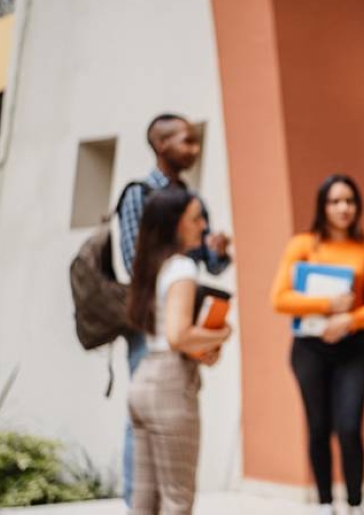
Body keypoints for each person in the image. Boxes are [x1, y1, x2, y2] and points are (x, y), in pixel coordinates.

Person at [117, 113, 232, 505]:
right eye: (197, 220)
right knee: (177, 500)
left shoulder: (160, 265)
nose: (202, 226)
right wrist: (222, 333)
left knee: (144, 502)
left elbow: (202, 265)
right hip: (169, 379)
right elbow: (179, 335)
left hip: (144, 378)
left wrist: (216, 254)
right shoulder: (179, 265)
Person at [271, 174, 364, 515]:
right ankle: (324, 503)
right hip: (309, 348)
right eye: (335, 201)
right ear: (323, 205)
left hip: (351, 348)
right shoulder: (303, 245)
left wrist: (347, 320)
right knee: (318, 426)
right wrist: (327, 306)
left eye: (349, 201)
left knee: (349, 427)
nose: (343, 208)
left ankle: (354, 503)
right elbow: (279, 299)